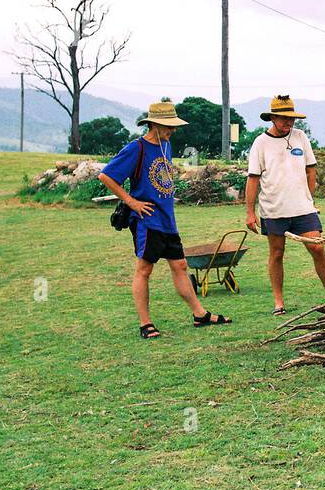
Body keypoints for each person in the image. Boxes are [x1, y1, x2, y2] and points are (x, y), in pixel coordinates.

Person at [98, 99, 232, 339]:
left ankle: (199, 314)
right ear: (154, 125)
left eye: (173, 126)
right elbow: (106, 176)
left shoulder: (165, 146)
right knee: (144, 269)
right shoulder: (136, 148)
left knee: (180, 265)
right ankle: (145, 323)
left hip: (167, 219)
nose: (173, 130)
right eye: (168, 126)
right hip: (147, 220)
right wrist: (132, 202)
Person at [245, 93, 325, 315]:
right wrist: (249, 212)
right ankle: (279, 302)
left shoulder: (300, 137)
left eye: (291, 119)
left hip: (303, 208)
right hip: (273, 209)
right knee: (276, 253)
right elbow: (253, 178)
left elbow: (311, 168)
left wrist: (309, 197)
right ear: (272, 118)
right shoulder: (260, 143)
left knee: (317, 247)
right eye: (283, 118)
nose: (288, 123)